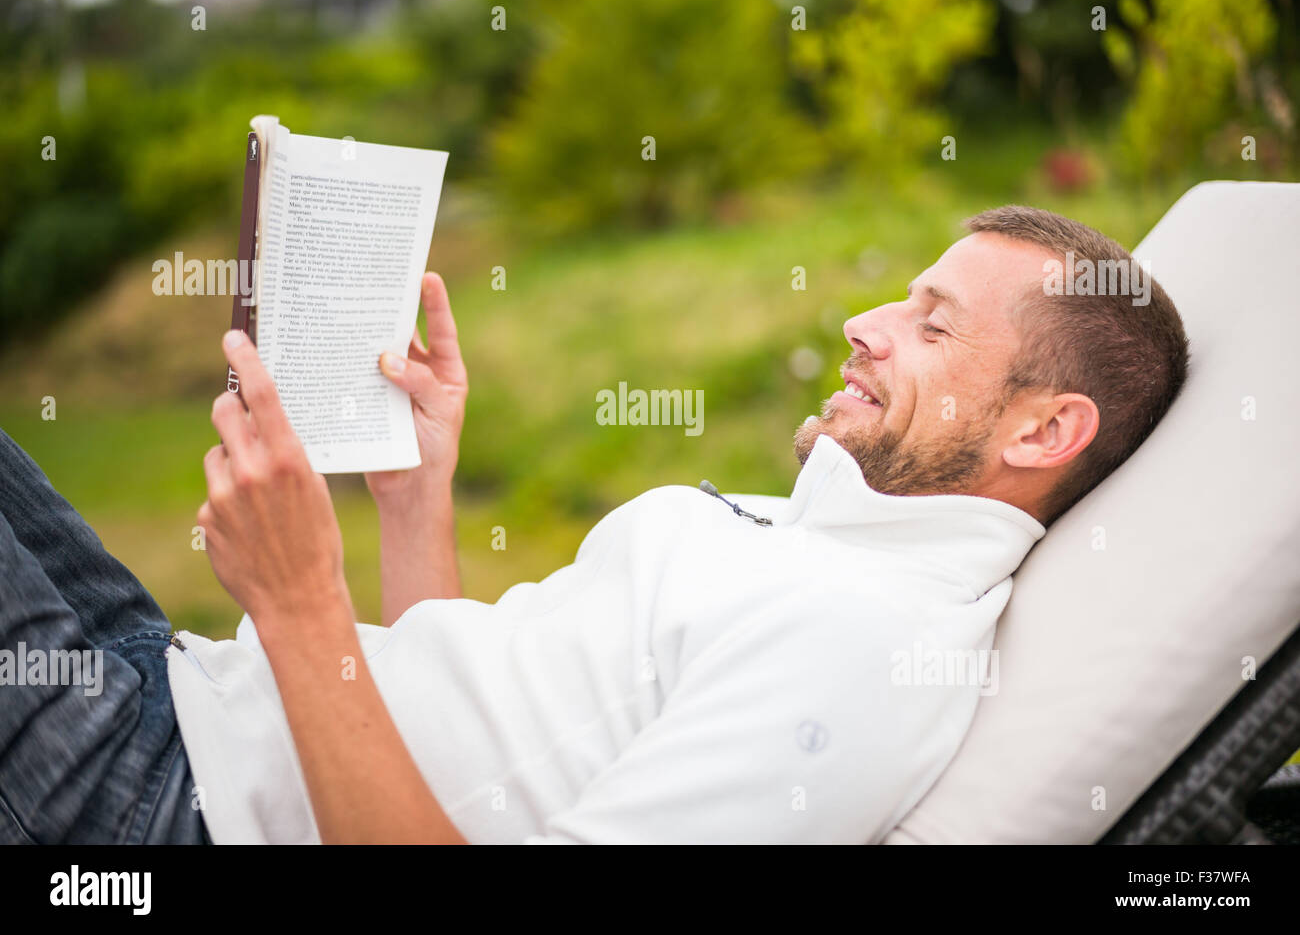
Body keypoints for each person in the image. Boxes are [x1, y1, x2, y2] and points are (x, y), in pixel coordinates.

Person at [0, 205, 1189, 844]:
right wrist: (418, 500)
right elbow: (486, 737)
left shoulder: (868, 648)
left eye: (932, 327)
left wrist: (306, 603)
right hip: (179, 697)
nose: (864, 325)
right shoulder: (836, 539)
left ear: (1042, 434)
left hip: (155, 802)